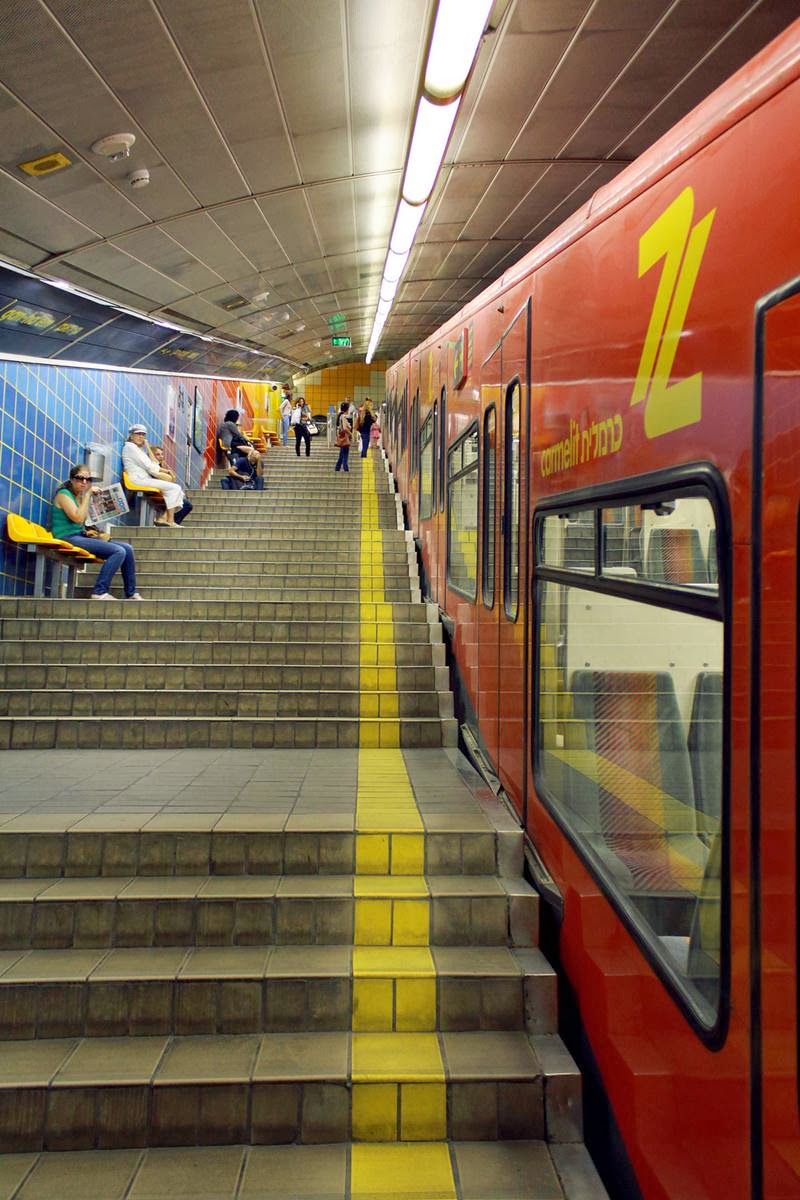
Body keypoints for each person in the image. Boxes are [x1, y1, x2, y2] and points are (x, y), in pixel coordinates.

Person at [51, 464, 142, 600]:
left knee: (127, 548)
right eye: (80, 478)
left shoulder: (78, 496)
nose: (84, 482)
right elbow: (77, 518)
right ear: (71, 479)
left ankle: (131, 593)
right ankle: (99, 591)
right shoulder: (63, 495)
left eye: (88, 479)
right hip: (67, 537)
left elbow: (84, 520)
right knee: (118, 551)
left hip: (79, 535)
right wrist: (87, 495)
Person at [121, 425, 187, 527]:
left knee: (179, 492)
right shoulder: (130, 448)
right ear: (131, 435)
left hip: (143, 479)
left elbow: (154, 463)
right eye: (138, 434)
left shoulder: (139, 450)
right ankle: (169, 520)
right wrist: (165, 474)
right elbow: (151, 468)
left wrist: (147, 446)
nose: (141, 437)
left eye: (143, 435)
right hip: (138, 480)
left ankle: (163, 518)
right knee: (175, 488)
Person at [151, 445, 193, 525]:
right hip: (158, 491)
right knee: (186, 504)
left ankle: (167, 520)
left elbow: (172, 481)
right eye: (157, 454)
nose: (161, 456)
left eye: (162, 454)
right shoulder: (153, 466)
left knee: (186, 503)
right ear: (152, 455)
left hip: (164, 491)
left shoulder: (161, 466)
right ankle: (168, 521)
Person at [334, 401, 352, 474]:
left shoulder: (340, 416)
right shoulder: (343, 417)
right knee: (345, 454)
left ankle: (337, 467)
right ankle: (346, 469)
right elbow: (344, 428)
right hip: (345, 437)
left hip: (341, 436)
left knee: (342, 454)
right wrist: (350, 434)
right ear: (347, 409)